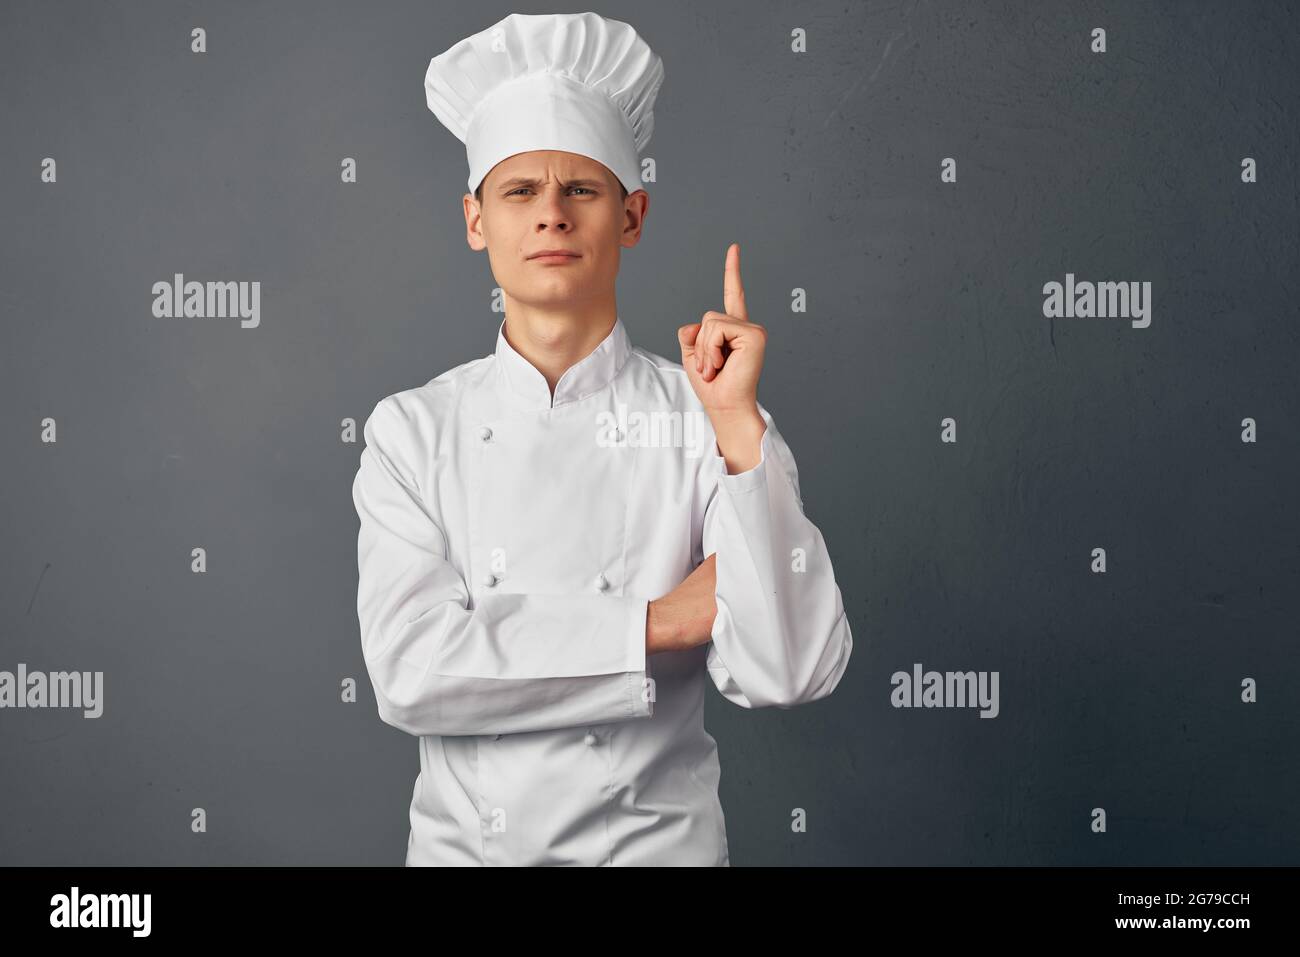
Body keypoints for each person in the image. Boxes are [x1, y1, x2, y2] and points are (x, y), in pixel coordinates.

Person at [351, 11, 853, 866]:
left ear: (632, 216)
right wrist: (655, 622)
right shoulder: (412, 432)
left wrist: (738, 422)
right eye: (519, 192)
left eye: (581, 189)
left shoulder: (706, 418)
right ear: (476, 220)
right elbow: (411, 672)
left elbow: (791, 669)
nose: (551, 215)